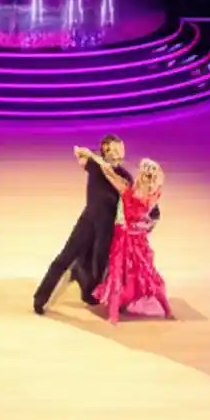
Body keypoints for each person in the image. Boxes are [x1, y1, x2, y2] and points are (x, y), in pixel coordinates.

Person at [32, 135, 158, 314]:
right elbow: (80, 154)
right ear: (106, 150)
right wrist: (91, 155)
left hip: (107, 228)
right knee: (64, 258)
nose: (120, 152)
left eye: (121, 148)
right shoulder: (95, 166)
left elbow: (137, 197)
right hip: (88, 221)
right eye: (115, 148)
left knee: (99, 265)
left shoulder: (123, 176)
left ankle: (87, 289)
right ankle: (40, 297)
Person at [77, 149, 172, 324]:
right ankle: (114, 315)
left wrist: (146, 226)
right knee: (118, 273)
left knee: (146, 274)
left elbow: (153, 216)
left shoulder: (153, 195)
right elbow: (108, 172)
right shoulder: (127, 188)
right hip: (123, 240)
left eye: (150, 177)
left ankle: (167, 310)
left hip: (139, 242)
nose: (147, 179)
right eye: (145, 175)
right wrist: (93, 156)